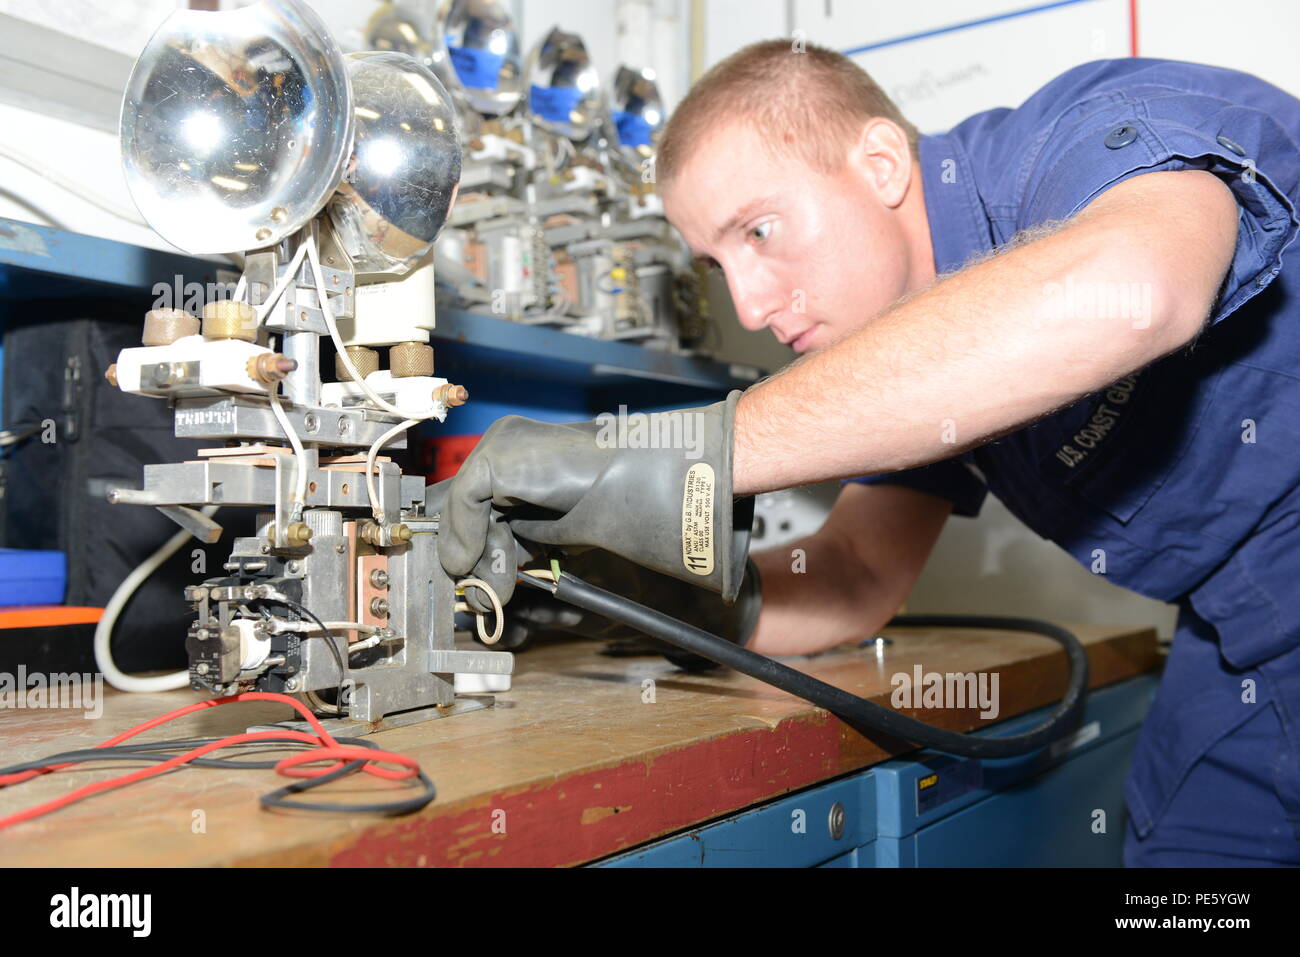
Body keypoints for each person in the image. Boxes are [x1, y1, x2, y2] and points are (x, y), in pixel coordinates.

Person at [425, 40, 1300, 866]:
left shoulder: (1076, 138)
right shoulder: (918, 356)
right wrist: (629, 590)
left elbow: (1136, 293)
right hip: (1243, 642)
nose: (753, 305)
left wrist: (665, 453)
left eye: (759, 231)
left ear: (882, 165)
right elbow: (852, 574)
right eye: (717, 267)